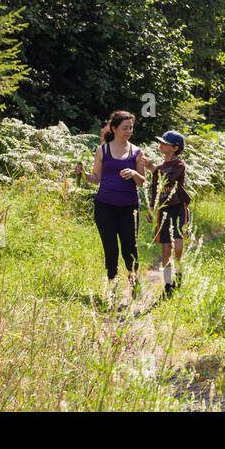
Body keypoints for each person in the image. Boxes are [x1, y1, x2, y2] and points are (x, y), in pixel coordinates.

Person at [85, 110, 152, 307]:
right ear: (114, 128)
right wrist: (84, 175)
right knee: (111, 249)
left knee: (130, 248)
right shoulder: (102, 150)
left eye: (131, 128)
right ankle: (112, 288)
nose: (129, 131)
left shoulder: (136, 152)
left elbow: (142, 182)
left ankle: (133, 282)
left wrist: (134, 173)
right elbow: (96, 179)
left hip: (129, 207)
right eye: (125, 128)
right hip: (104, 206)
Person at [146, 130, 189, 297]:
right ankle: (168, 285)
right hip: (163, 210)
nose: (161, 145)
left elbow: (168, 179)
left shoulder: (180, 165)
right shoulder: (159, 167)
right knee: (166, 247)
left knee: (178, 246)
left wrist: (151, 168)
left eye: (165, 143)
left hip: (178, 207)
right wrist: (152, 208)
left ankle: (178, 272)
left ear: (175, 148)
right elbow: (155, 190)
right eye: (161, 142)